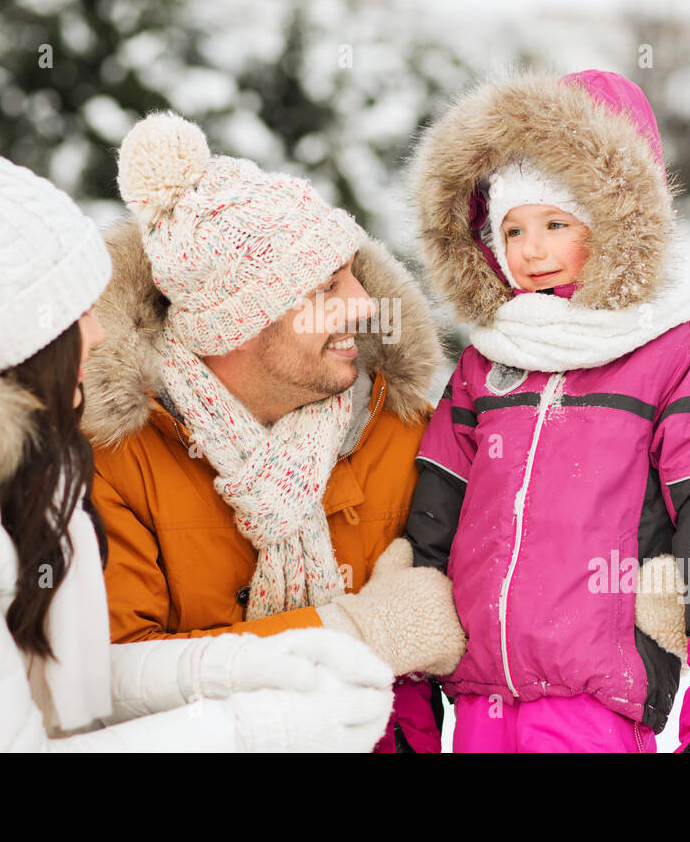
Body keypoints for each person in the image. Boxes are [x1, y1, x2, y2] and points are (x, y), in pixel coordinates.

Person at [0, 96, 395, 752]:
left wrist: (248, 669)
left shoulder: (26, 459)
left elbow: (72, 682)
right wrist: (249, 728)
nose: (98, 332)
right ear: (16, 342)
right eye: (73, 318)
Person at [403, 70, 690, 753]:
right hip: (480, 695)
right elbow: (433, 515)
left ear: (616, 224)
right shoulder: (486, 366)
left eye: (557, 223)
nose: (531, 249)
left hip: (596, 695)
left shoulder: (679, 357)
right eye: (513, 228)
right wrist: (408, 673)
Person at [82, 111, 467, 752]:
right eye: (327, 287)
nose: (364, 304)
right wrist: (353, 631)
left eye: (351, 274)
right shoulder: (119, 456)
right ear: (239, 324)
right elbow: (118, 682)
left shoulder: (404, 434)